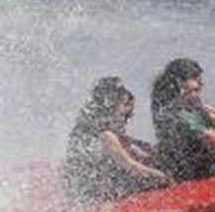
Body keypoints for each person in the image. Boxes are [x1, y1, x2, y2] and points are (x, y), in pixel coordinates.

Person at [63, 77, 171, 205]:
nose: (129, 112)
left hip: (98, 185)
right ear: (110, 104)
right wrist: (161, 176)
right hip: (92, 195)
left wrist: (159, 159)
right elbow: (130, 165)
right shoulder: (105, 134)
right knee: (145, 180)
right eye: (125, 105)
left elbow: (137, 152)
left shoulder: (111, 130)